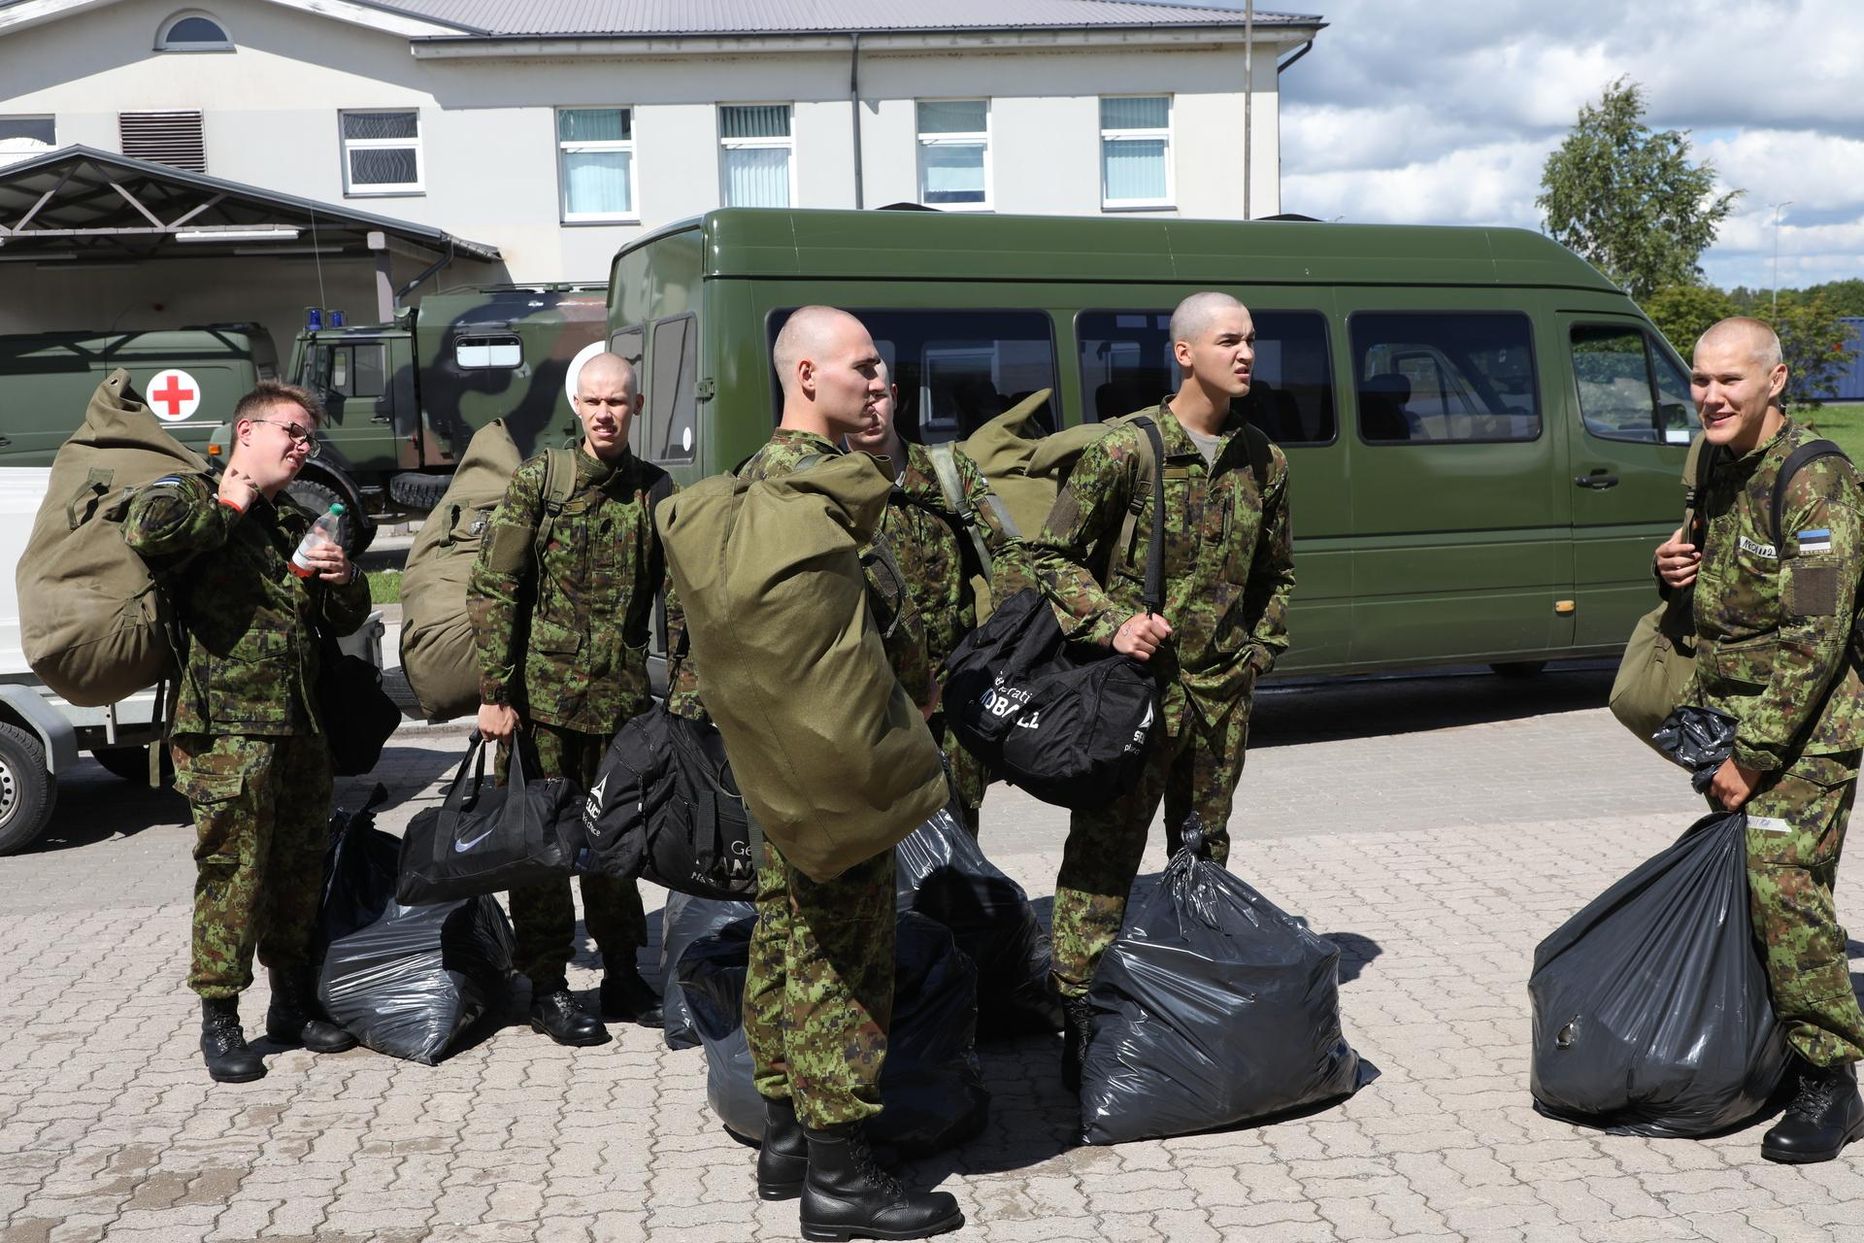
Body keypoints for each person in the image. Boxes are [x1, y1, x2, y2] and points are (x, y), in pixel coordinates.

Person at [672, 306, 961, 1240]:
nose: (879, 383)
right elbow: (881, 617)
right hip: (833, 762)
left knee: (782, 941)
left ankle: (787, 1140)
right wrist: (920, 700)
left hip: (771, 760)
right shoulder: (827, 493)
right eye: (862, 367)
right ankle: (843, 1180)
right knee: (846, 954)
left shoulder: (753, 480)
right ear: (805, 375)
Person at [1023, 290, 1295, 1091]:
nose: (1246, 353)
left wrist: (1256, 655)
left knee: (1203, 858)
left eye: (1251, 339)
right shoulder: (1127, 450)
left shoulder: (1264, 461)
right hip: (1134, 701)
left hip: (1220, 703)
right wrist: (1112, 622)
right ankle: (1076, 1019)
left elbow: (1277, 577)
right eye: (1228, 340)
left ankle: (1191, 1006)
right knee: (1103, 858)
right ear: (1184, 353)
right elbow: (1050, 557)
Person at [1653, 316, 1864, 1163]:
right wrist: (1673, 563)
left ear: (1774, 382)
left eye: (1729, 381)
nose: (1710, 396)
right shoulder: (1713, 461)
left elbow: (1820, 633)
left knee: (1782, 883)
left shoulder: (1817, 479)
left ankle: (1831, 1081)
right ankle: (1771, 1046)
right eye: (1700, 380)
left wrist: (1753, 757)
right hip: (1733, 717)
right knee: (1753, 888)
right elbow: (1720, 564)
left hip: (1807, 726)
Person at [123, 381, 371, 1083]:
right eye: (292, 432)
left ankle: (290, 1003)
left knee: (297, 871)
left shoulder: (292, 522)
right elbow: (148, 532)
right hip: (226, 732)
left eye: (309, 438)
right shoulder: (188, 493)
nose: (303, 447)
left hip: (299, 725)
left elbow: (343, 616)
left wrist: (344, 574)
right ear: (247, 432)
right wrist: (227, 504)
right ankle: (220, 1016)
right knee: (233, 874)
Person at [467, 352, 667, 1046]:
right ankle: (547, 987)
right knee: (543, 851)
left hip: (621, 708)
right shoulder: (540, 482)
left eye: (618, 402)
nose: (606, 413)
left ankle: (621, 972)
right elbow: (495, 587)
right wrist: (495, 692)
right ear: (577, 408)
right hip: (540, 707)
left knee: (617, 843)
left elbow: (685, 597)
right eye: (594, 401)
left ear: (636, 409)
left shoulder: (653, 490)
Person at [844, 359, 1024, 835]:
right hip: (870, 703)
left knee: (959, 831)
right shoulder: (826, 485)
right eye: (859, 397)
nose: (870, 408)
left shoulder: (948, 470)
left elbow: (1009, 550)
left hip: (955, 692)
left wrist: (999, 643)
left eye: (878, 395)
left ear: (896, 395)